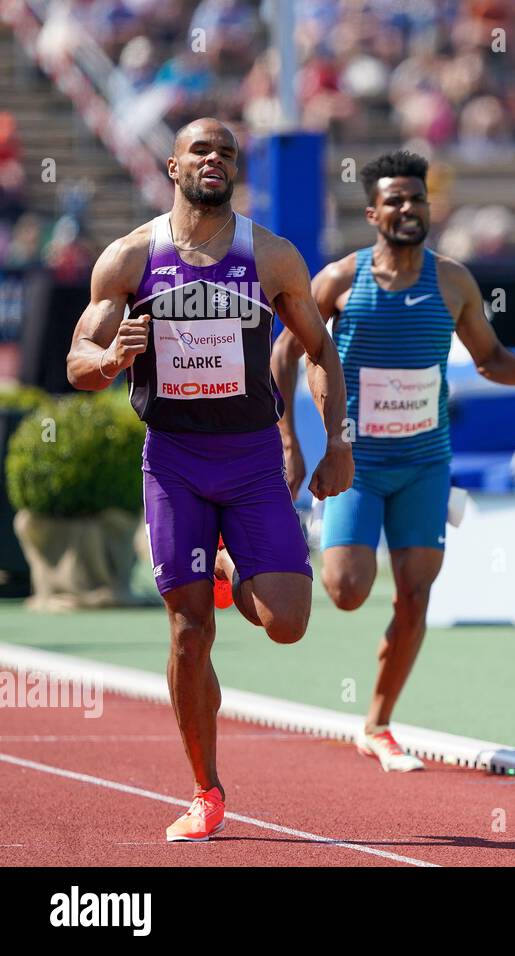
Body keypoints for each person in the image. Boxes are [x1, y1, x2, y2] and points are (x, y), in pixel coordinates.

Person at [65, 118, 353, 841]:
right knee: (192, 635)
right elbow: (77, 362)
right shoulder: (131, 259)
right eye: (202, 150)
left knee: (286, 622)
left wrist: (338, 441)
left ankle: (230, 560)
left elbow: (319, 350)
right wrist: (109, 361)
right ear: (172, 165)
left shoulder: (273, 257)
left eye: (227, 152)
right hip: (175, 461)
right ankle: (205, 790)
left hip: (252, 458)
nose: (215, 160)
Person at [274, 150, 515, 772]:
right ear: (373, 212)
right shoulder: (339, 280)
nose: (408, 208)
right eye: (395, 200)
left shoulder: (454, 281)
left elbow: (491, 359)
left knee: (415, 592)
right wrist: (289, 440)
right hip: (356, 462)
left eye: (416, 199)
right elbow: (284, 356)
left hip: (425, 463)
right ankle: (311, 534)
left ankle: (379, 723)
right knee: (348, 590)